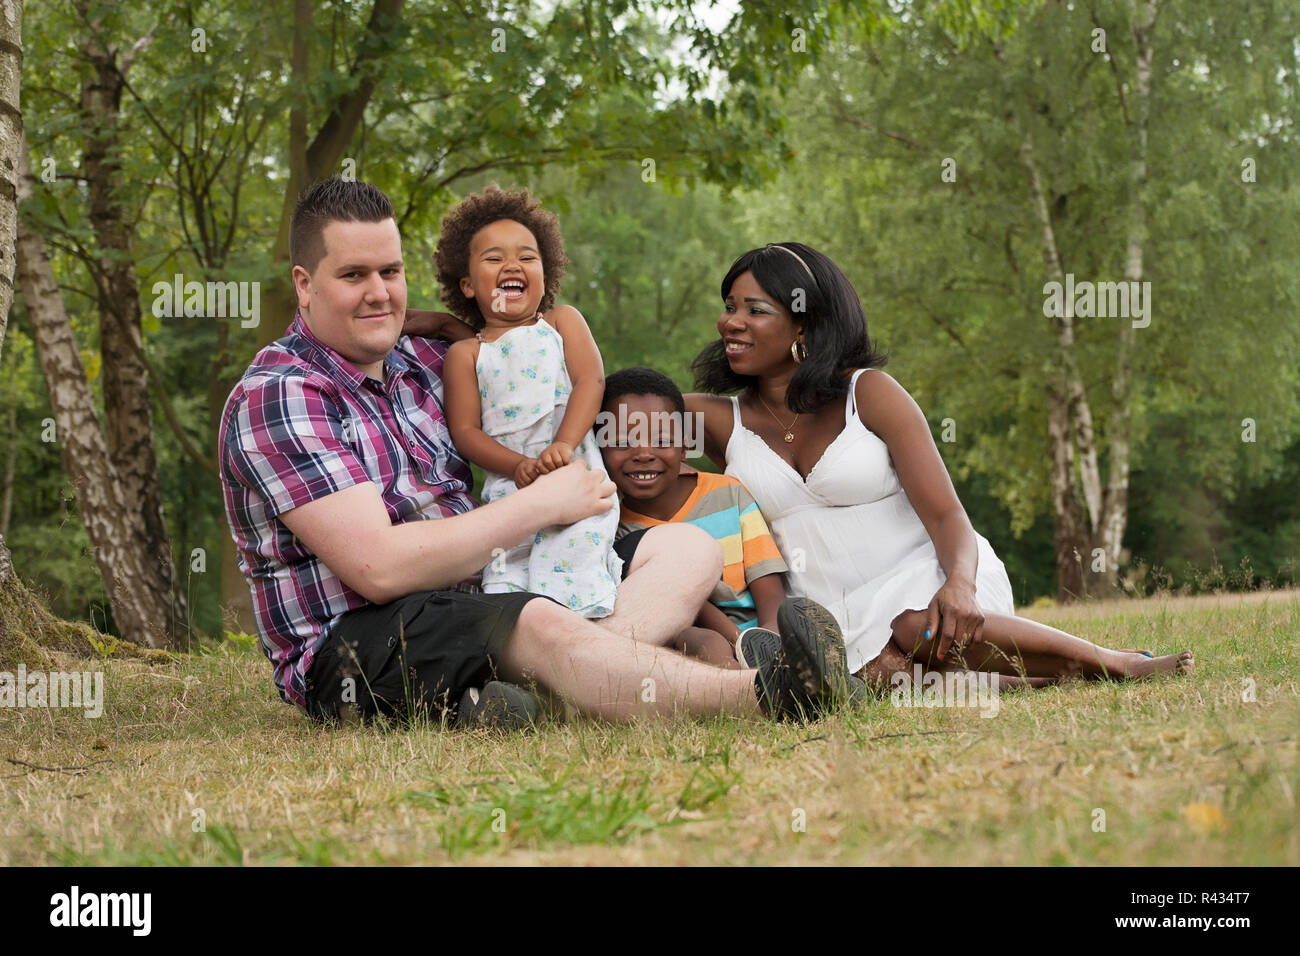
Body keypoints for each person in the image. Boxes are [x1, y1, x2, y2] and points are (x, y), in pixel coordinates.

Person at [218, 179, 850, 730]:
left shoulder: (420, 363)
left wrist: (438, 322)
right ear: (304, 284)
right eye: (353, 275)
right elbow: (378, 569)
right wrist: (543, 501)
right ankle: (771, 694)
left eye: (391, 272)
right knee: (542, 622)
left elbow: (504, 346)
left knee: (688, 549)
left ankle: (559, 686)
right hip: (361, 636)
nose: (380, 293)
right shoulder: (281, 396)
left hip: (490, 582)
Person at [686, 242, 1195, 689]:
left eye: (754, 310)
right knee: (874, 675)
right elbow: (618, 412)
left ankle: (1111, 663)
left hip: (925, 576)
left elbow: (947, 515)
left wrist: (959, 584)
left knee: (914, 630)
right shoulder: (719, 419)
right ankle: (1025, 679)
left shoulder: (869, 394)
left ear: (805, 321)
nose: (730, 322)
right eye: (729, 306)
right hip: (825, 614)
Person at [436, 185, 620, 618]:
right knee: (507, 584)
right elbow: (466, 432)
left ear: (547, 272)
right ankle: (521, 672)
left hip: (575, 477)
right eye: (494, 258)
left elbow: (590, 380)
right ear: (466, 284)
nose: (512, 265)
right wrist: (516, 467)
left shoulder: (561, 322)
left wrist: (563, 443)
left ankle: (587, 656)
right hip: (510, 490)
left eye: (527, 256)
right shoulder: (467, 354)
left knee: (576, 574)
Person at [599, 366, 787, 670]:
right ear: (598, 450)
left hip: (759, 631)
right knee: (702, 639)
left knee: (792, 627)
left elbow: (769, 586)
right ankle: (745, 688)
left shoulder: (728, 494)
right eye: (622, 443)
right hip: (687, 637)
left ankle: (794, 671)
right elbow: (691, 604)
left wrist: (770, 636)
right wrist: (738, 640)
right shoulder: (616, 532)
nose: (644, 453)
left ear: (685, 444)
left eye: (661, 441)